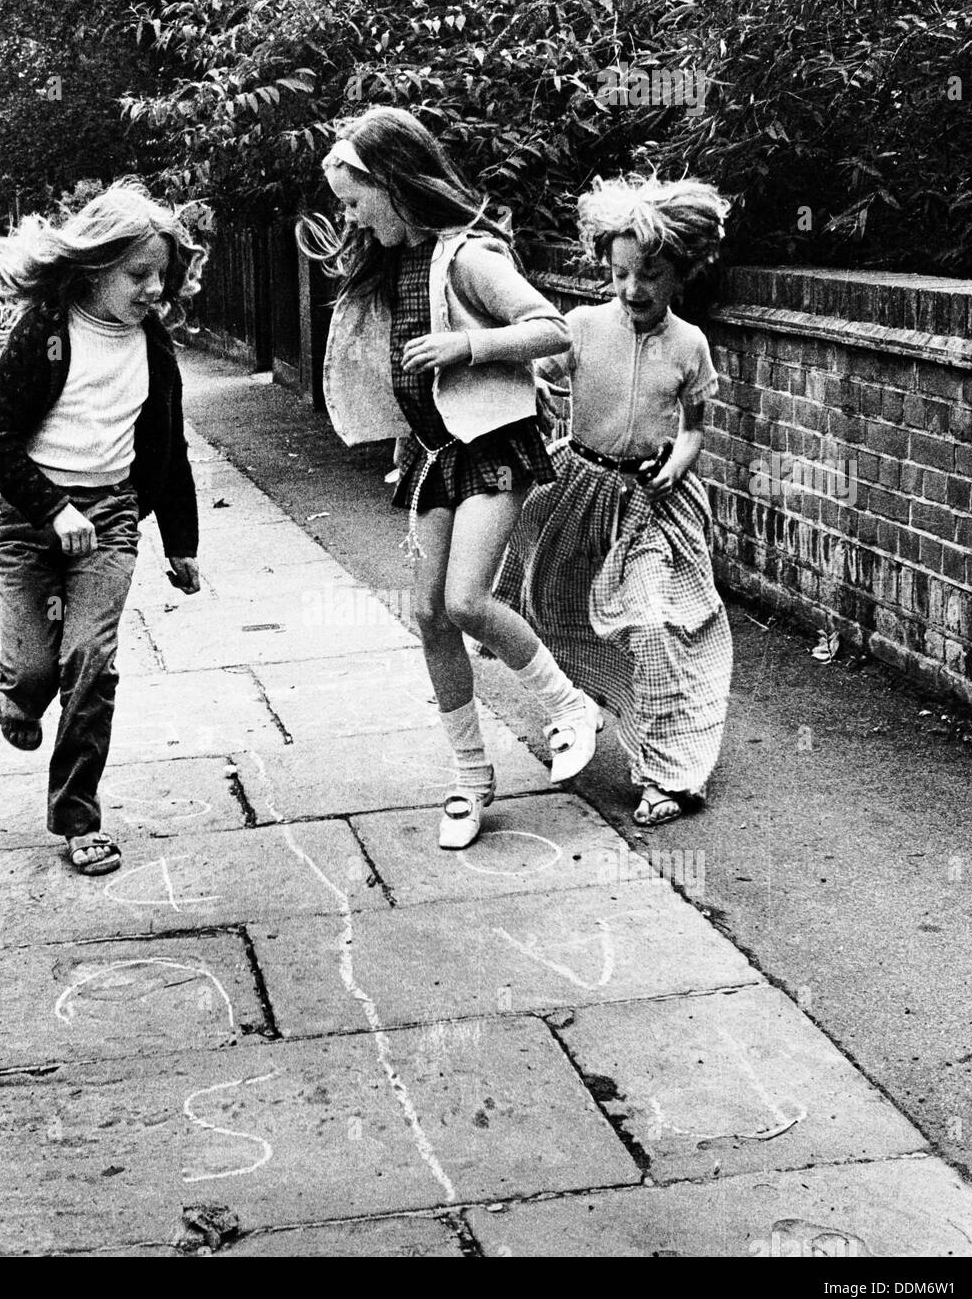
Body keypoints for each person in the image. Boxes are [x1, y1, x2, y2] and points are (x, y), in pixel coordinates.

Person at [300, 106, 601, 851]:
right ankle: (470, 775)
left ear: (395, 182)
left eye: (357, 201)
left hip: (493, 443)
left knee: (468, 600)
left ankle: (569, 707)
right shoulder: (393, 262)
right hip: (434, 454)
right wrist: (402, 442)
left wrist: (468, 347)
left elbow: (553, 329)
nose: (355, 220)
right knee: (430, 615)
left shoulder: (466, 256)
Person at [0, 179, 204, 875]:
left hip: (109, 517)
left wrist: (182, 543)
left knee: (90, 663)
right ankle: (20, 690)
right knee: (37, 668)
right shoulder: (45, 329)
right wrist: (51, 507)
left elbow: (172, 446)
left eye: (161, 274)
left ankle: (77, 816)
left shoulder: (153, 345)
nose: (154, 289)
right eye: (139, 274)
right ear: (95, 266)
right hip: (31, 516)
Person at [495, 173, 733, 827]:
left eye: (648, 275)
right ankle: (606, 709)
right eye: (621, 272)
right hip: (580, 489)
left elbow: (695, 429)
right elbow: (536, 376)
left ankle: (668, 776)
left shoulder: (689, 345)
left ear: (678, 274)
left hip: (654, 507)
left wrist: (676, 464)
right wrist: (531, 390)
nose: (632, 289)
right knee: (554, 609)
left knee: (654, 624)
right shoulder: (579, 326)